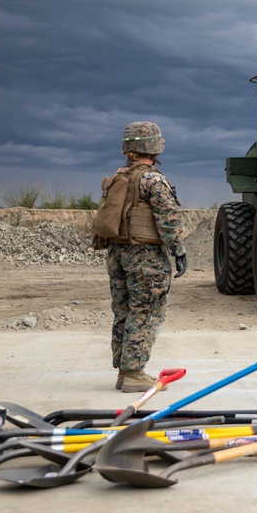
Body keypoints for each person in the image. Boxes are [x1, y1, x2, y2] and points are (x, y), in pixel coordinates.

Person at [102, 121, 187, 392]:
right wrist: (179, 251)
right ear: (154, 145)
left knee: (124, 311)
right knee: (146, 311)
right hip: (146, 258)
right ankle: (133, 373)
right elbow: (168, 220)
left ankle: (124, 370)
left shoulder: (118, 177)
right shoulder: (153, 179)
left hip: (118, 254)